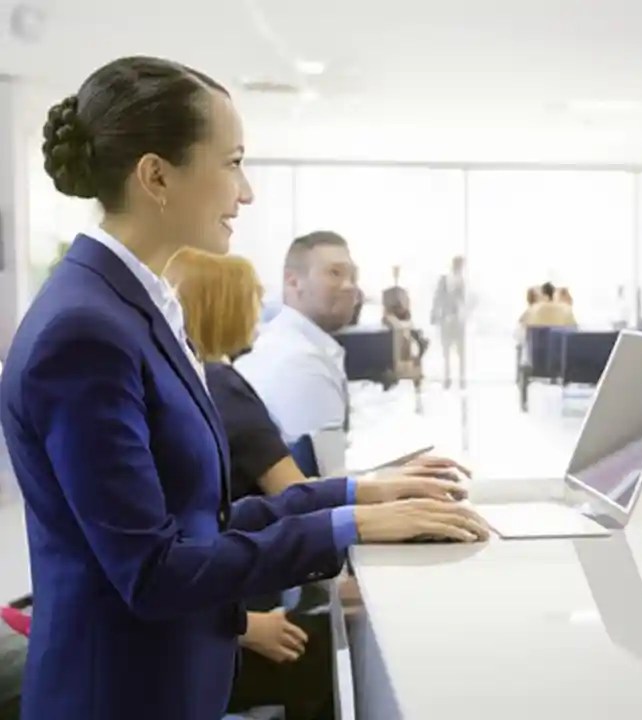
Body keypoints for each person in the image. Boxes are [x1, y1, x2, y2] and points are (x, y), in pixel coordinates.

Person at [0, 56, 489, 720]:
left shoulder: (135, 308)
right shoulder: (84, 331)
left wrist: (360, 494)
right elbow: (153, 570)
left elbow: (207, 519)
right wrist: (354, 524)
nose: (246, 192)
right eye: (231, 163)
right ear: (156, 176)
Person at [166, 247, 466, 718]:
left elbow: (220, 520)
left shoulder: (212, 382)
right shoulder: (219, 384)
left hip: (227, 599)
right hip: (221, 616)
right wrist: (241, 623)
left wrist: (364, 497)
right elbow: (274, 499)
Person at [236, 230, 359, 444]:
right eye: (335, 273)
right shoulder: (300, 362)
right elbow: (327, 474)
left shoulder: (286, 342)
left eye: (353, 276)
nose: (350, 286)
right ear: (293, 282)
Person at [431, 255, 468, 389]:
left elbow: (466, 301)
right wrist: (435, 314)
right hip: (447, 318)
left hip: (458, 320)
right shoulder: (445, 279)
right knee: (446, 350)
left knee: (460, 351)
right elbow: (438, 297)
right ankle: (447, 377)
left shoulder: (464, 281)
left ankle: (461, 377)